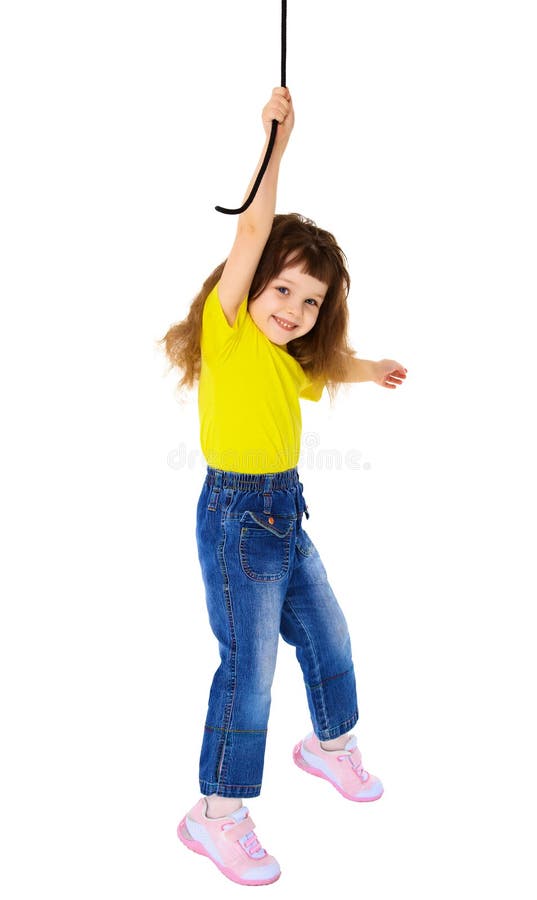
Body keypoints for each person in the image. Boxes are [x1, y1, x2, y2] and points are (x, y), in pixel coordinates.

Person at [159, 87, 407, 886]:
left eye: (311, 301)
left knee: (328, 634)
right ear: (247, 285)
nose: (296, 309)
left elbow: (326, 366)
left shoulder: (284, 359)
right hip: (235, 517)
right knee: (249, 667)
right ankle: (215, 816)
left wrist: (370, 369)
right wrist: (276, 140)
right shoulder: (227, 331)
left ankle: (328, 745)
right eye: (283, 290)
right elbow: (256, 228)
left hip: (284, 511)